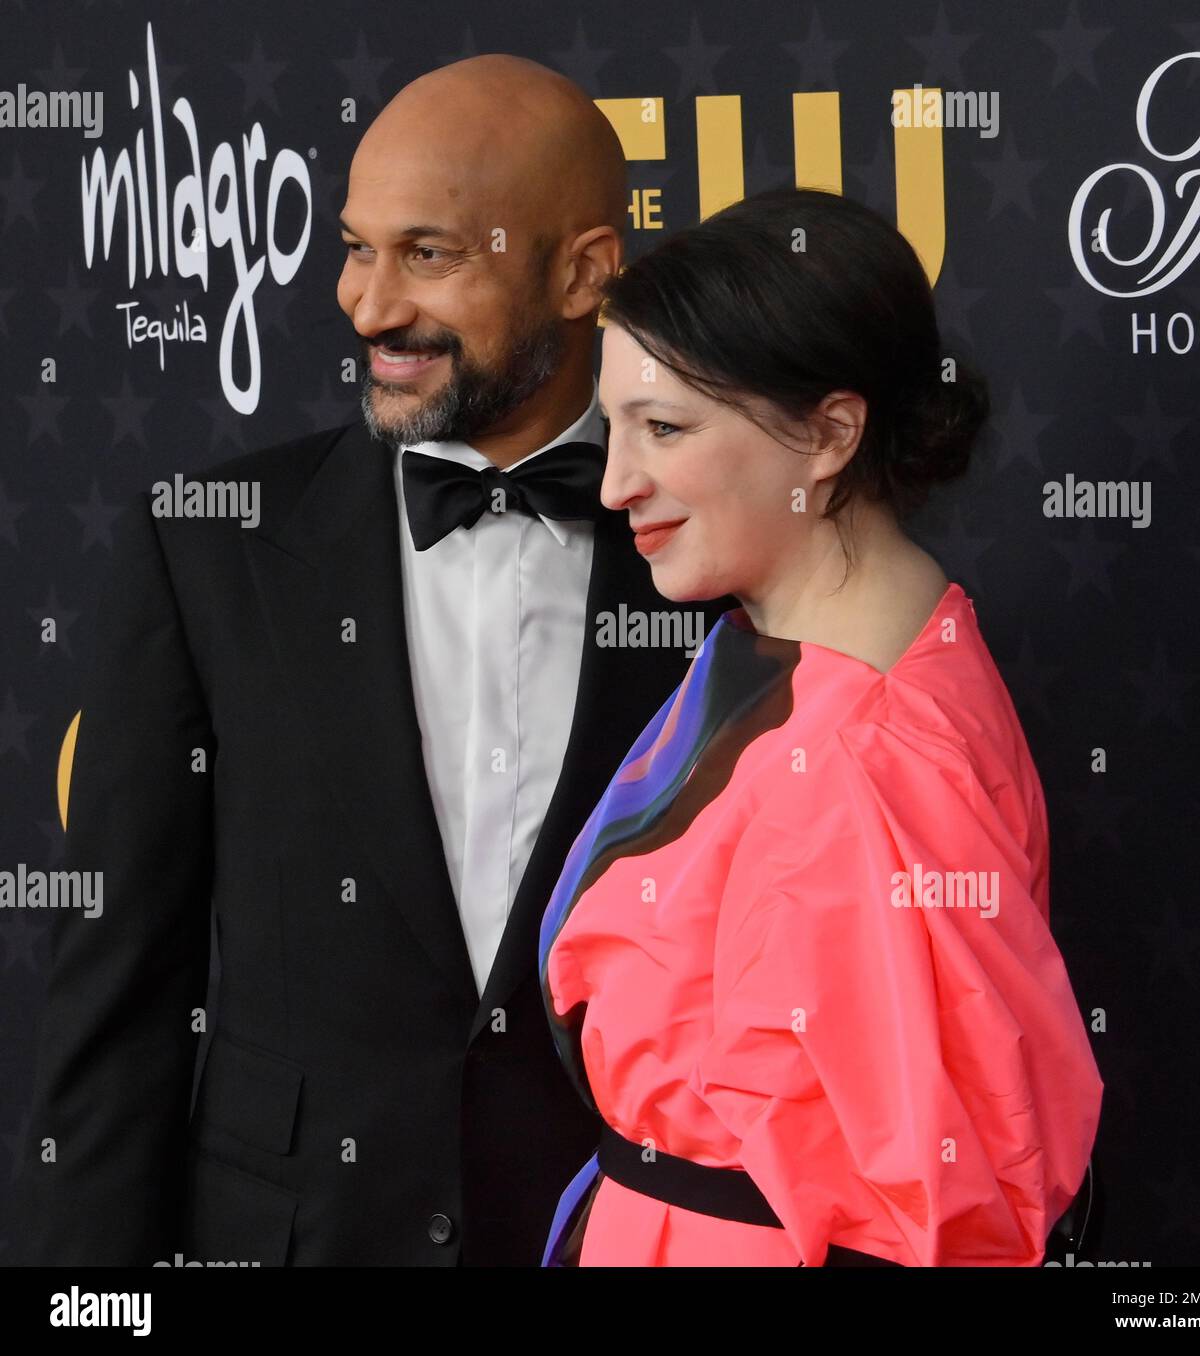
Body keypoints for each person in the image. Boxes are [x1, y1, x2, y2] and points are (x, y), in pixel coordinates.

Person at [13, 54, 728, 1267]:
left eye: (429, 255)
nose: (367, 305)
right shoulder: (207, 547)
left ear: (584, 270)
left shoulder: (719, 561)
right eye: (356, 247)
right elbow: (119, 999)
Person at [538, 186, 1104, 1267]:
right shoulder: (812, 646)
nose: (614, 484)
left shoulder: (861, 757)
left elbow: (947, 1215)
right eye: (609, 428)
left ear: (829, 435)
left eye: (663, 429)